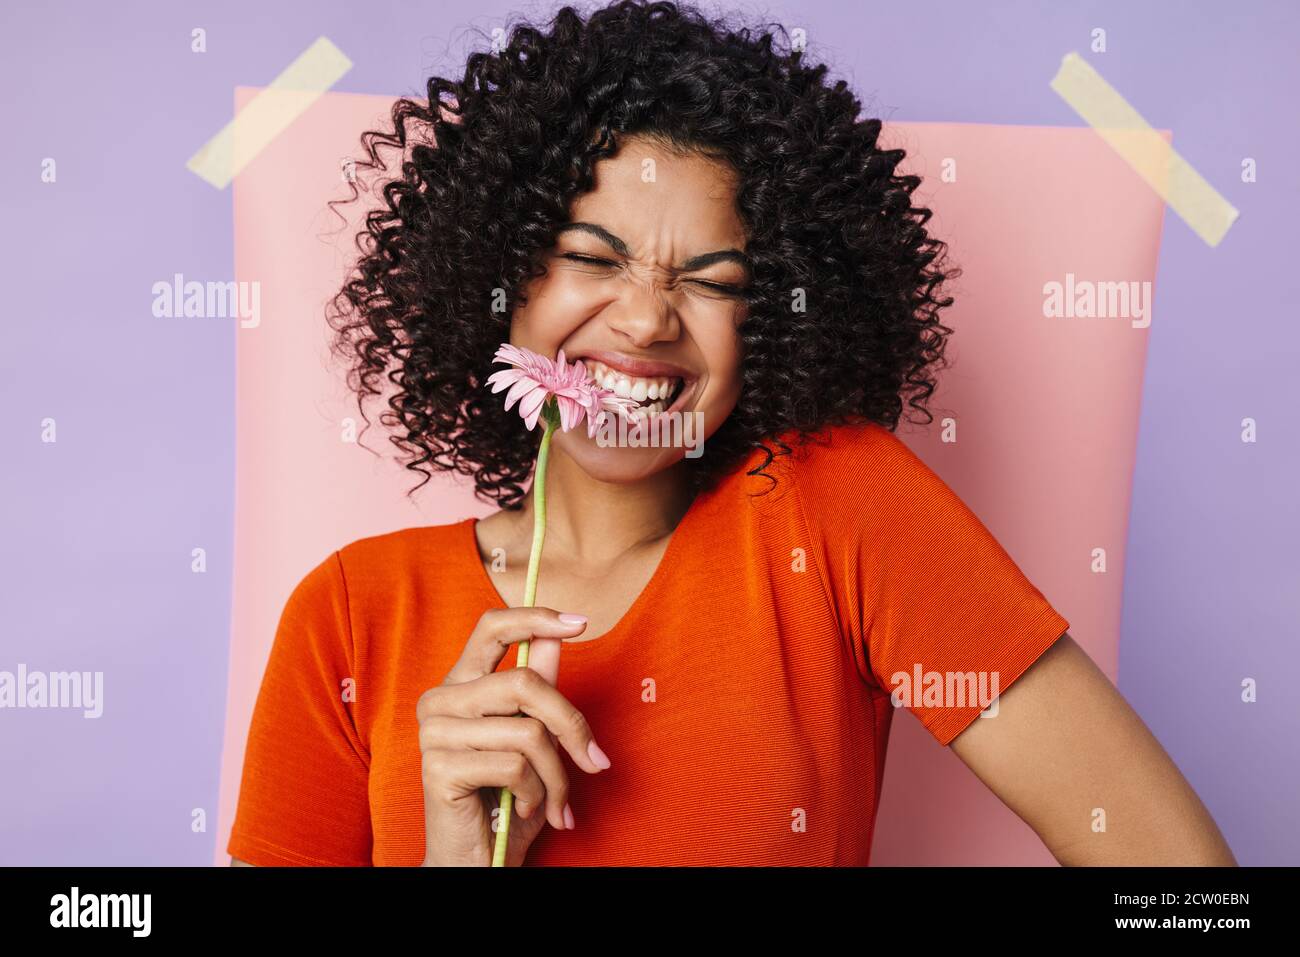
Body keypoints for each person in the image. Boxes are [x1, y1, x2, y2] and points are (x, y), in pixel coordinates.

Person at [227, 0, 1236, 867]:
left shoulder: (834, 508)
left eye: (714, 281)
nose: (646, 320)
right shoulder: (349, 615)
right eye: (593, 257)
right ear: (499, 279)